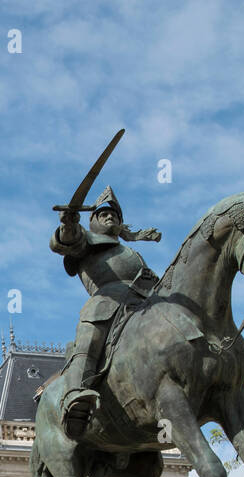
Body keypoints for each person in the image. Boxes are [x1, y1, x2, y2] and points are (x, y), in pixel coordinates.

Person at [49, 186, 162, 436]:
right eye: (103, 214)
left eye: (114, 214)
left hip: (145, 302)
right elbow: (66, 241)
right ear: (92, 221)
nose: (110, 217)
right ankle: (75, 394)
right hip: (107, 299)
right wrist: (68, 224)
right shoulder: (87, 241)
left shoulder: (132, 252)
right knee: (91, 330)